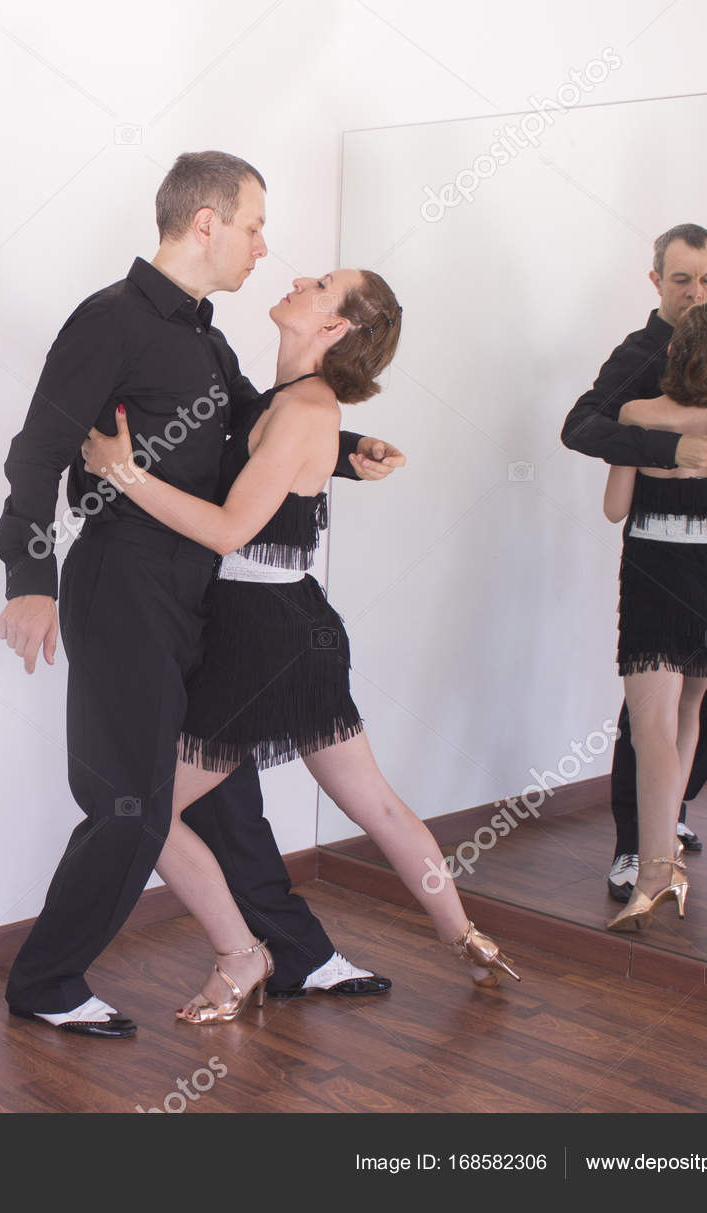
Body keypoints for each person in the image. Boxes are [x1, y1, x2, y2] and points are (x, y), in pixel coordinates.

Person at [0, 152, 404, 1038]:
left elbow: (258, 435)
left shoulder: (208, 335)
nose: (265, 245)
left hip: (202, 595)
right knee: (132, 802)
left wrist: (345, 448)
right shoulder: (108, 322)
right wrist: (31, 579)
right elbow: (37, 453)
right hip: (126, 586)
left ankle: (293, 956)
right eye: (255, 225)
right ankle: (48, 979)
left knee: (230, 797)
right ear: (207, 222)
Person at [81, 267, 520, 1023]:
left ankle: (240, 954)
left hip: (262, 638)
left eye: (318, 285)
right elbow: (273, 453)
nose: (295, 277)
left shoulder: (305, 408)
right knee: (374, 800)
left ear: (333, 327)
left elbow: (226, 530)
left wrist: (122, 473)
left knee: (140, 809)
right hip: (292, 625)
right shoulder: (291, 402)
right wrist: (350, 452)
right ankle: (467, 937)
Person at [561, 224, 707, 903]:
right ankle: (635, 846)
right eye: (683, 279)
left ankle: (670, 814)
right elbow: (578, 427)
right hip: (660, 560)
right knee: (652, 711)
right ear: (655, 278)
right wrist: (665, 450)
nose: (696, 292)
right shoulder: (637, 357)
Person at [600, 303, 707, 931]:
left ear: (673, 355)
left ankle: (652, 872)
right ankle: (666, 856)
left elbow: (615, 509)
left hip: (654, 580)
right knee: (686, 715)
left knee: (648, 729)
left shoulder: (638, 415)